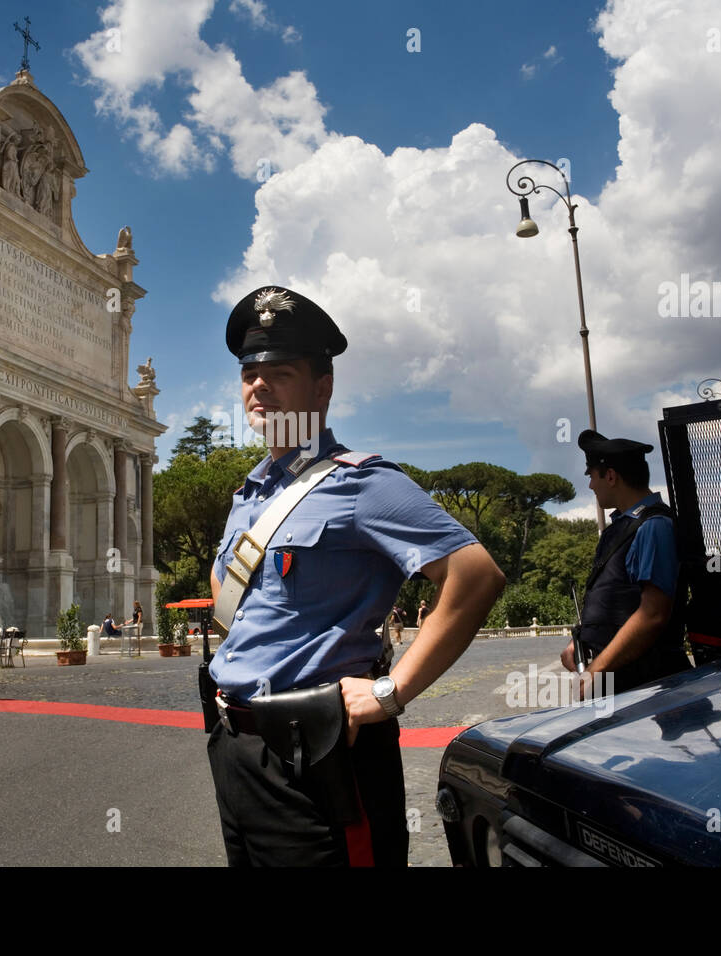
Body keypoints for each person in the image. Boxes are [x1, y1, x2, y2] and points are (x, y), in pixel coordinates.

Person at [206, 285, 506, 867]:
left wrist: (391, 693)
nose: (258, 386)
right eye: (249, 374)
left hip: (318, 754)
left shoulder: (362, 485)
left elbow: (476, 575)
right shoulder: (249, 492)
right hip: (233, 747)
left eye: (280, 372)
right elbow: (229, 601)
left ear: (322, 388)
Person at [562, 429, 691, 698]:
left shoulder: (654, 526)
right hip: (621, 679)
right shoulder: (624, 526)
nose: (590, 486)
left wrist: (596, 670)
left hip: (645, 686)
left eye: (591, 477)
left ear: (610, 476)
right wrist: (584, 643)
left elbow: (652, 615)